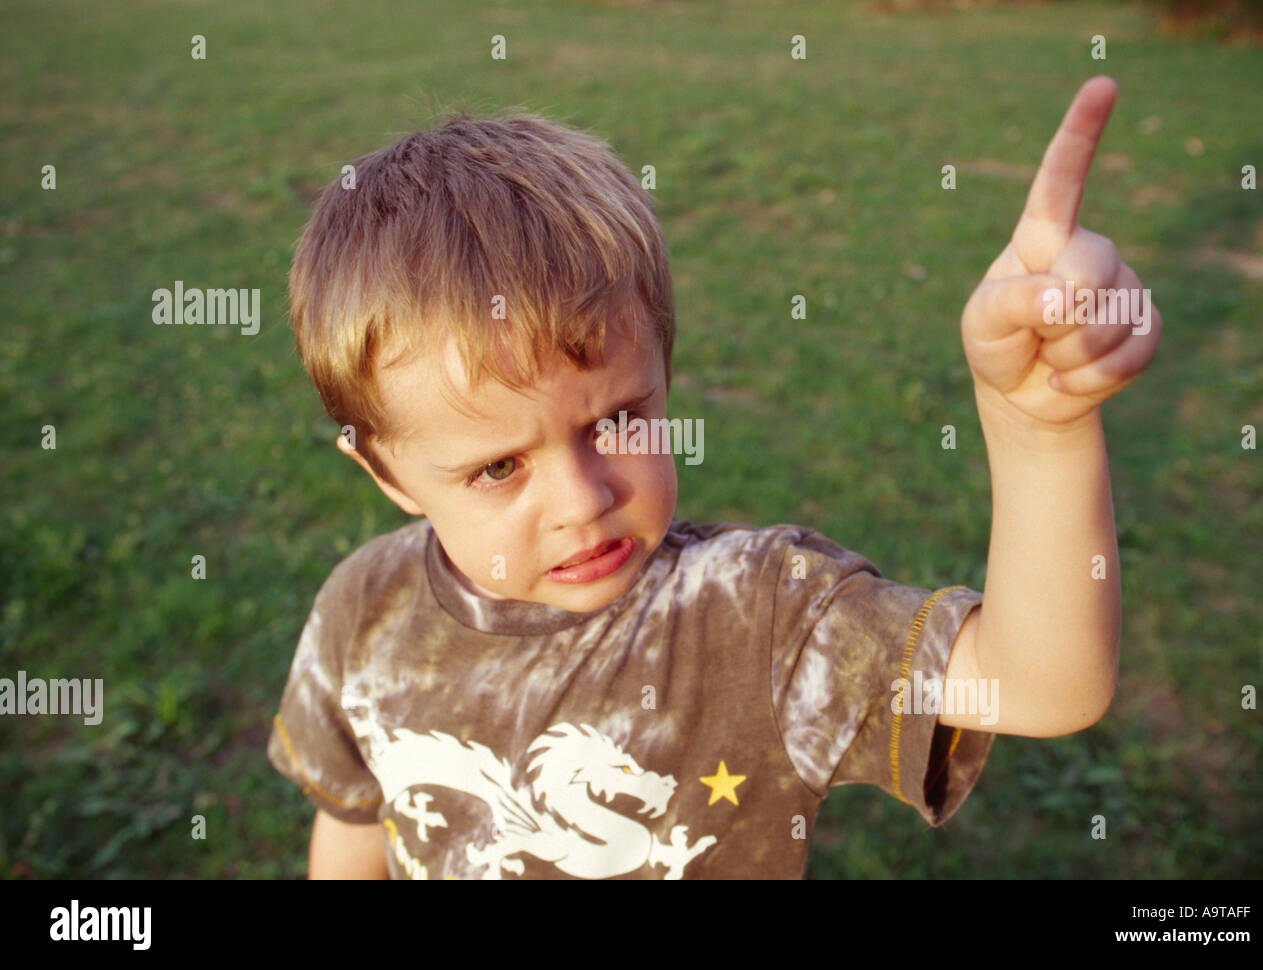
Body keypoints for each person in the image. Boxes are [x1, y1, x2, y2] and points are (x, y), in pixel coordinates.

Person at [267, 76, 1161, 879]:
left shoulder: (763, 619)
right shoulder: (362, 615)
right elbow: (352, 829)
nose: (584, 501)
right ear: (383, 469)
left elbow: (1044, 684)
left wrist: (1040, 428)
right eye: (498, 467)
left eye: (616, 421)